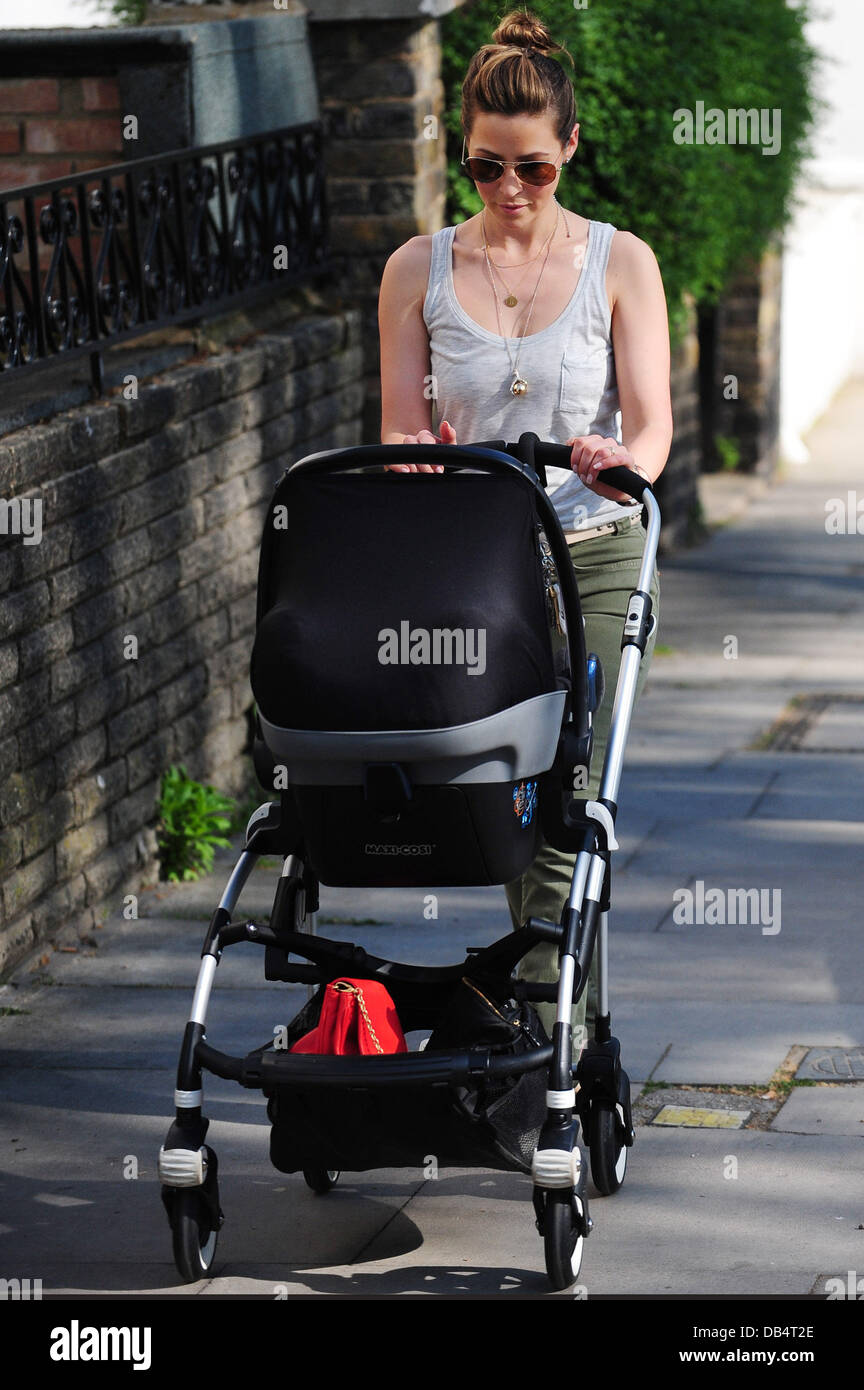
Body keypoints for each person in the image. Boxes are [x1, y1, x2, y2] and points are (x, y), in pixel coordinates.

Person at [377, 7, 672, 1042]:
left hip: (593, 553)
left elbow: (653, 427)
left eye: (534, 169)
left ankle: (554, 1046)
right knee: (502, 796)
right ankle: (547, 1036)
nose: (509, 191)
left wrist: (621, 462)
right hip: (478, 571)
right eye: (486, 168)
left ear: (571, 149)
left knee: (565, 801)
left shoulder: (620, 263)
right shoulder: (415, 270)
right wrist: (418, 456)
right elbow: (399, 428)